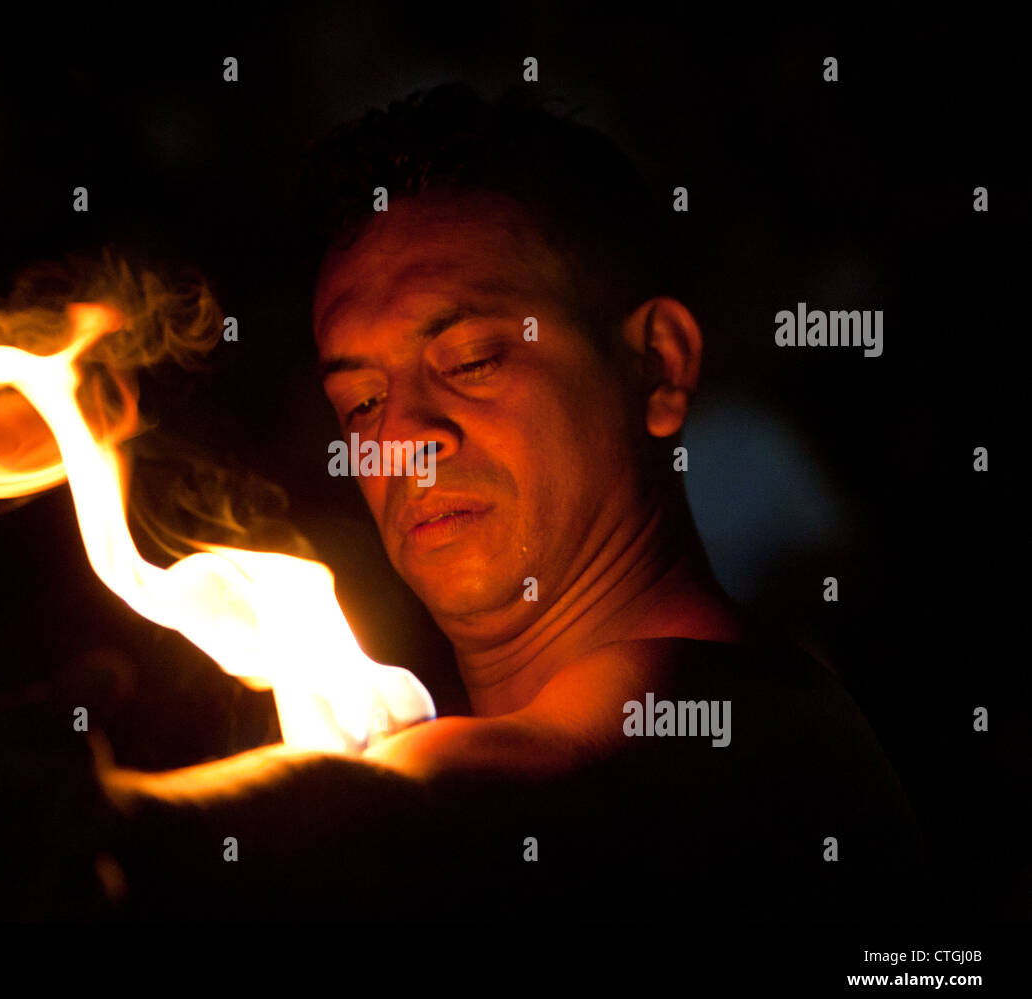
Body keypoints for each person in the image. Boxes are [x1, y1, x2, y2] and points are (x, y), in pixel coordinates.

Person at [98, 83, 922, 921]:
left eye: (472, 360)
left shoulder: (738, 731)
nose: (404, 439)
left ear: (658, 365)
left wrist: (115, 823)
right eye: (362, 402)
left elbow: (423, 801)